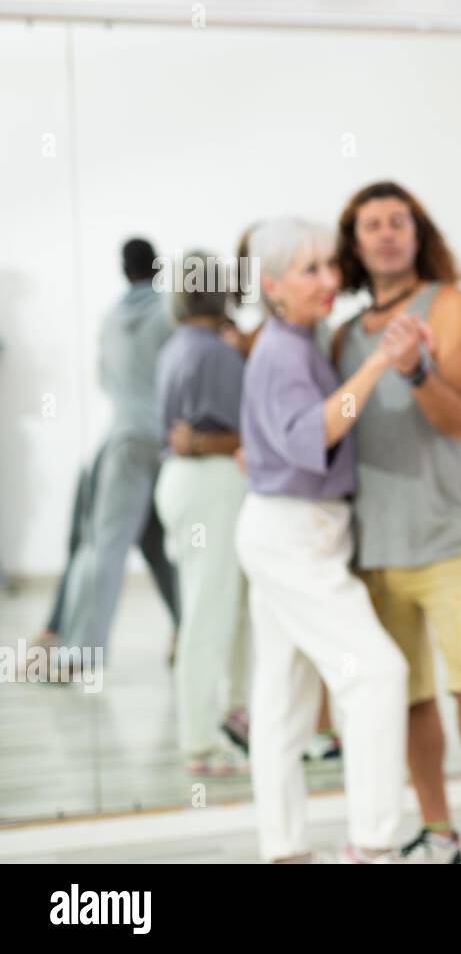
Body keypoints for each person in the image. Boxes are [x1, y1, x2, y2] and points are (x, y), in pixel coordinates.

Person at [333, 181, 461, 864]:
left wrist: (415, 370)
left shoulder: (452, 305)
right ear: (353, 243)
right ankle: (438, 831)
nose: (385, 233)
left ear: (417, 232)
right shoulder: (344, 334)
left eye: (397, 221)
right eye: (370, 224)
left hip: (448, 541)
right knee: (406, 702)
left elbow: (458, 416)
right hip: (373, 548)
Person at [234, 217, 412, 864]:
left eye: (329, 266)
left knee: (282, 700)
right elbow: (312, 436)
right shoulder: (283, 350)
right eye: (311, 270)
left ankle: (283, 849)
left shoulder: (294, 342)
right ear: (273, 286)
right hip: (292, 534)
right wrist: (380, 365)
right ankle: (372, 844)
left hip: (289, 527)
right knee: (377, 672)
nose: (330, 280)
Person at [57, 239, 178, 664]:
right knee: (159, 546)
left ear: (124, 270)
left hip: (126, 440)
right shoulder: (171, 312)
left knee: (106, 547)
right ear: (158, 267)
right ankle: (189, 632)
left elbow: (105, 379)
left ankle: (81, 652)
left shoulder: (110, 318)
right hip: (169, 444)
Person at [153, 252, 250, 776]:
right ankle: (201, 744)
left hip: (182, 484)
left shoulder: (177, 348)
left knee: (210, 608)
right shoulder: (217, 354)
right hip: (210, 485)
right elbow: (254, 431)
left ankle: (222, 722)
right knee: (208, 613)